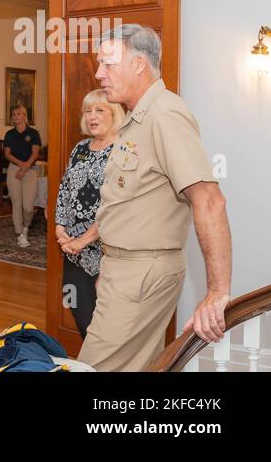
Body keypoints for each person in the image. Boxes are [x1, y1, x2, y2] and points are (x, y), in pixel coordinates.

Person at [79, 24, 233, 371]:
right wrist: (112, 262)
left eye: (107, 64)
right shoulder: (138, 118)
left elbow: (210, 199)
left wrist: (217, 291)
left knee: (92, 368)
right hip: (125, 267)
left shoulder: (165, 114)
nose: (99, 73)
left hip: (141, 271)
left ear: (137, 64)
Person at [54, 90, 123, 338]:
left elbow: (115, 205)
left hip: (107, 250)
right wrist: (60, 227)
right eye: (88, 111)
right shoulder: (80, 147)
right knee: (77, 305)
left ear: (114, 113)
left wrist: (83, 240)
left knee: (108, 322)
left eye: (99, 110)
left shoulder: (123, 150)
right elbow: (65, 187)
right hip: (74, 250)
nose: (92, 116)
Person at [1, 104, 42, 247]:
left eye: (19, 113)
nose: (16, 116)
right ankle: (20, 233)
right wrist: (21, 165)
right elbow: (7, 154)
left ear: (24, 116)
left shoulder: (34, 133)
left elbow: (35, 153)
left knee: (29, 206)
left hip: (29, 170)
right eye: (13, 114)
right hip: (14, 169)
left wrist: (25, 167)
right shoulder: (9, 134)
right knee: (16, 203)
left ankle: (26, 227)